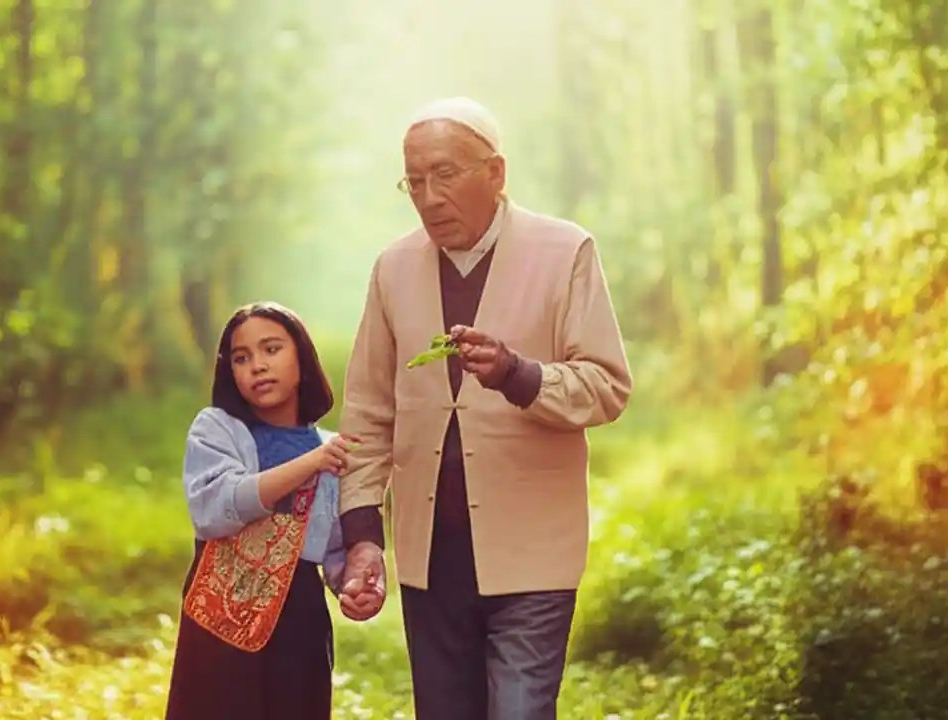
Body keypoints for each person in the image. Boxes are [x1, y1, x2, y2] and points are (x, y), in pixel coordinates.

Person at [334, 96, 634, 719]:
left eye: (445, 175)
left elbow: (607, 386)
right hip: (429, 559)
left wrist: (518, 375)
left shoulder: (565, 251)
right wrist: (363, 535)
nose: (428, 196)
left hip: (534, 552)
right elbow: (366, 415)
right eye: (414, 181)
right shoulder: (393, 268)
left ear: (495, 173)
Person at [164, 301, 365, 720]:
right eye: (242, 357)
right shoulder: (216, 429)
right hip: (221, 607)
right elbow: (214, 510)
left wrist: (356, 587)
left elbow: (333, 551)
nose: (257, 366)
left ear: (302, 358)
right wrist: (309, 464)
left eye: (272, 350)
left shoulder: (329, 451)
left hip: (299, 615)